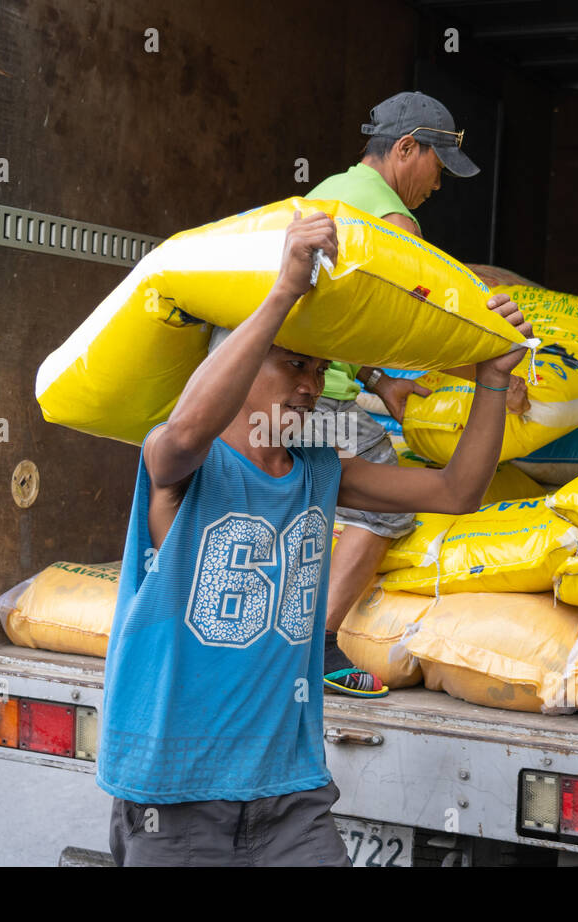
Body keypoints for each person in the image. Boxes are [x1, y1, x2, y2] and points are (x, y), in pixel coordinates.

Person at [100, 211, 531, 866]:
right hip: (174, 793)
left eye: (319, 368)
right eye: (292, 364)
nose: (309, 386)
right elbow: (187, 434)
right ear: (234, 366)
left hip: (289, 795)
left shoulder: (320, 470)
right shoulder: (182, 464)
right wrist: (283, 292)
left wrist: (494, 378)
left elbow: (456, 493)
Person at [304, 91, 529, 695]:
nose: (438, 186)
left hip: (266, 401)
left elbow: (344, 320)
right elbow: (413, 324)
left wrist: (380, 382)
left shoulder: (327, 190)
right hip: (313, 399)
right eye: (437, 168)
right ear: (406, 149)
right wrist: (490, 373)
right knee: (388, 492)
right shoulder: (394, 220)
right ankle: (318, 645)